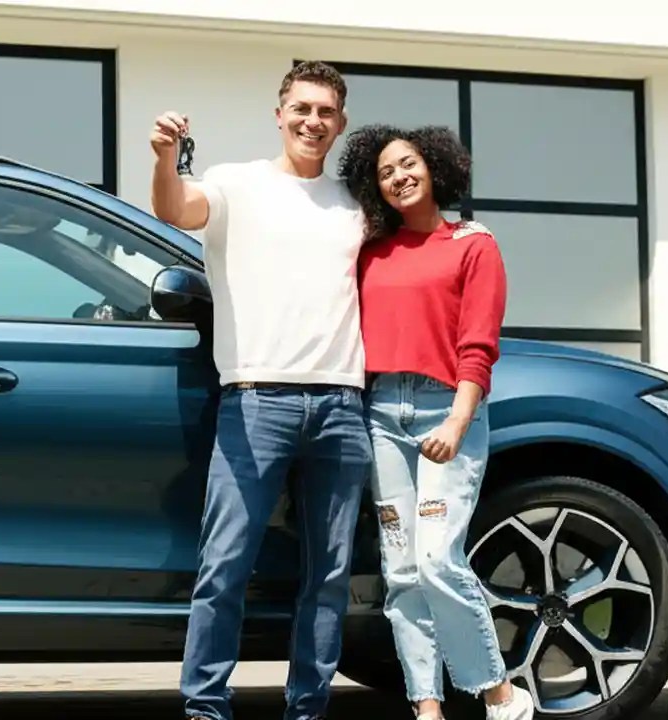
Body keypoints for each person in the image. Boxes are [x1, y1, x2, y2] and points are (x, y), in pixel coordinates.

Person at [148, 61, 373, 720]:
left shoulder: (353, 204)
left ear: (340, 122)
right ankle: (205, 708)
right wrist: (165, 158)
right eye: (302, 108)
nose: (312, 121)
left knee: (328, 579)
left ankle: (308, 709)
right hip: (255, 405)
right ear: (280, 114)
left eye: (325, 111)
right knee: (224, 568)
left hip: (342, 406)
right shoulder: (235, 184)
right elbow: (175, 208)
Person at [340, 123, 535, 720]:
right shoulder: (371, 251)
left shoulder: (474, 244)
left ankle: (499, 695)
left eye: (408, 164)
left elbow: (479, 343)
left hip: (444, 409)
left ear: (435, 168)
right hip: (381, 412)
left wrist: (457, 420)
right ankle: (426, 706)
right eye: (385, 172)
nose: (399, 176)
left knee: (436, 560)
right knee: (401, 570)